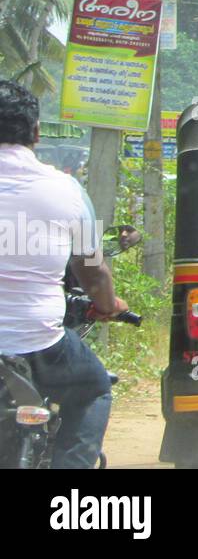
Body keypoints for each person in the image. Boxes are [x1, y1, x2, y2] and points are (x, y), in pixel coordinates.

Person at [0, 80, 128, 468]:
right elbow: (92, 271)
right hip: (39, 343)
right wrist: (108, 306)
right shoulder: (65, 189)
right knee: (94, 389)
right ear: (37, 132)